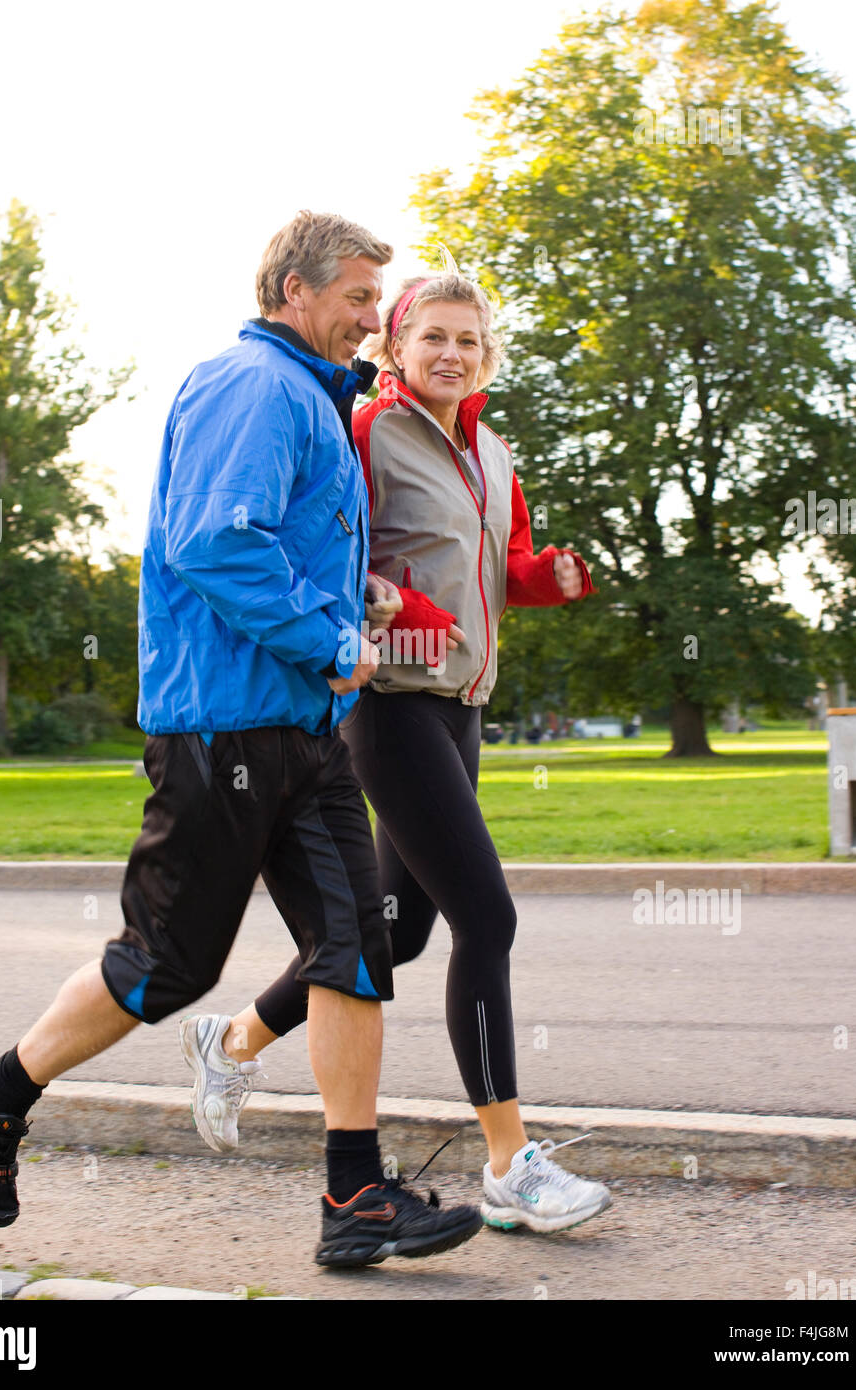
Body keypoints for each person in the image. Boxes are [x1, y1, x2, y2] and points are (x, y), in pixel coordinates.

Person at [0, 214, 484, 1270]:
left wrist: (355, 598)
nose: (378, 319)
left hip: (308, 729)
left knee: (356, 945)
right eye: (362, 298)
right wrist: (329, 637)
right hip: (225, 725)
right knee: (167, 965)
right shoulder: (254, 385)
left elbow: (271, 540)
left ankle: (355, 1195)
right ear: (293, 289)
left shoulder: (312, 402)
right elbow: (214, 541)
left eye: (379, 300)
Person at [179, 269, 613, 1235]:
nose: (451, 354)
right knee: (487, 921)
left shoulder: (494, 452)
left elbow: (496, 569)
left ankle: (233, 1039)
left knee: (397, 933)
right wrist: (391, 605)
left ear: (486, 355)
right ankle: (511, 1164)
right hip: (391, 706)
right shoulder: (369, 431)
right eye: (433, 339)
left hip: (460, 708)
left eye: (469, 340)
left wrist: (545, 577)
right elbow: (333, 548)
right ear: (397, 348)